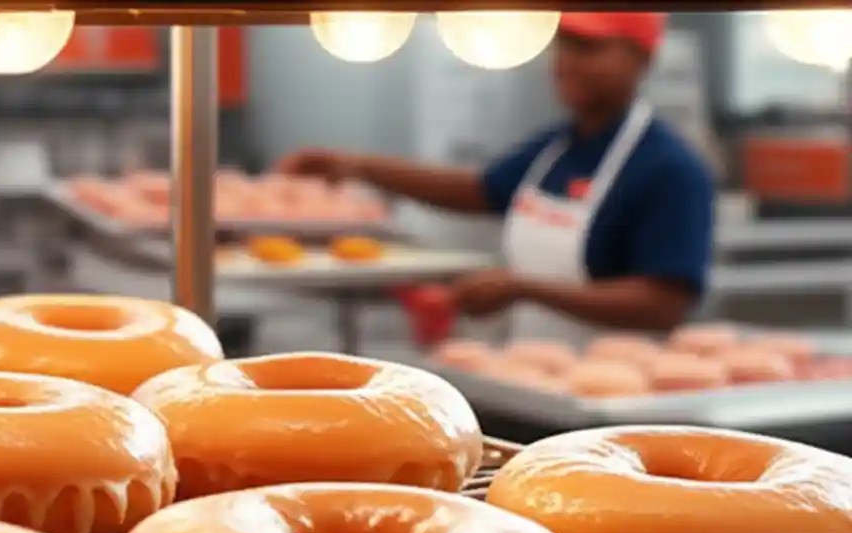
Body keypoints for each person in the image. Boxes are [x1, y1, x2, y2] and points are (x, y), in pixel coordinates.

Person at [278, 13, 715, 346]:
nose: (565, 63)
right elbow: (479, 190)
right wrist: (357, 166)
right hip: (531, 379)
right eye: (560, 46)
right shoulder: (558, 148)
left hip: (618, 398)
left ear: (642, 57)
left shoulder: (670, 168)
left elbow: (664, 304)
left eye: (587, 47)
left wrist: (523, 287)